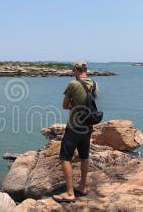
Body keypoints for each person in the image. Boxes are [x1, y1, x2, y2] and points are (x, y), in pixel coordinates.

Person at [52, 60, 98, 202]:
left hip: (74, 126)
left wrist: (73, 104)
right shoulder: (94, 84)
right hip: (88, 126)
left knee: (65, 158)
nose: (73, 73)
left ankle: (70, 193)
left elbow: (64, 105)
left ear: (76, 70)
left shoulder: (73, 84)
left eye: (73, 70)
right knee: (84, 156)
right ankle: (83, 187)